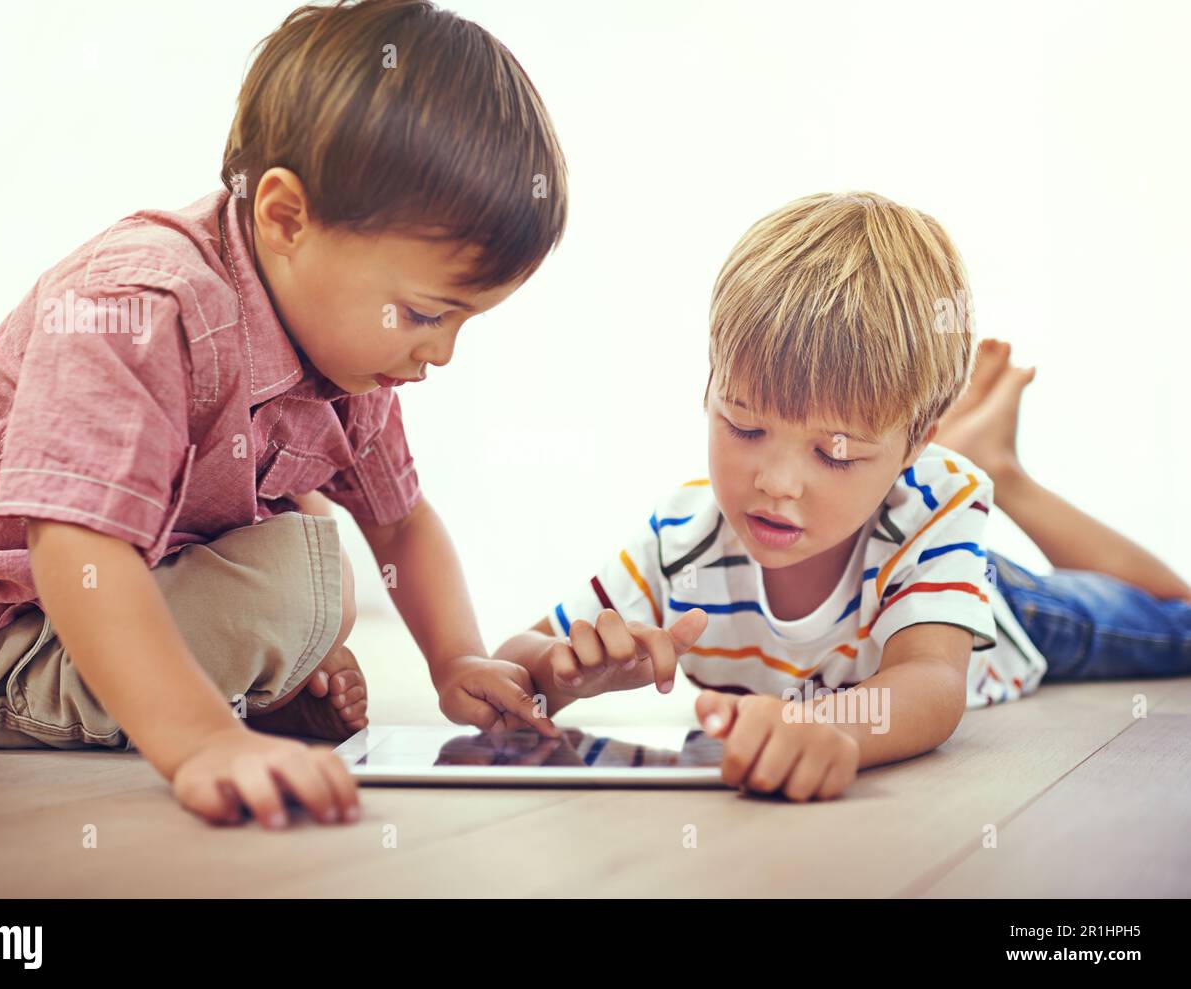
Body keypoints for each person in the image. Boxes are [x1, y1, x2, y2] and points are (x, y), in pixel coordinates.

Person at [0, 0, 567, 831]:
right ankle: (202, 703)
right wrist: (202, 741)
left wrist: (457, 656)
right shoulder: (140, 306)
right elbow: (76, 547)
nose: (441, 355)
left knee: (318, 567)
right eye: (428, 313)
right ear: (286, 218)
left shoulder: (356, 362)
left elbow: (401, 523)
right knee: (307, 582)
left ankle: (249, 693)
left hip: (137, 588)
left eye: (467, 321)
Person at [494, 192, 1191, 803]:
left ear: (914, 443)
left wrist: (819, 727)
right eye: (744, 425)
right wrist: (563, 673)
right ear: (708, 389)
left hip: (999, 608)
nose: (776, 481)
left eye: (834, 453)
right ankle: (979, 457)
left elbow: (931, 681)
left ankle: (1000, 475)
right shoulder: (683, 540)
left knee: (1176, 620)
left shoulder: (934, 512)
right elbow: (518, 659)